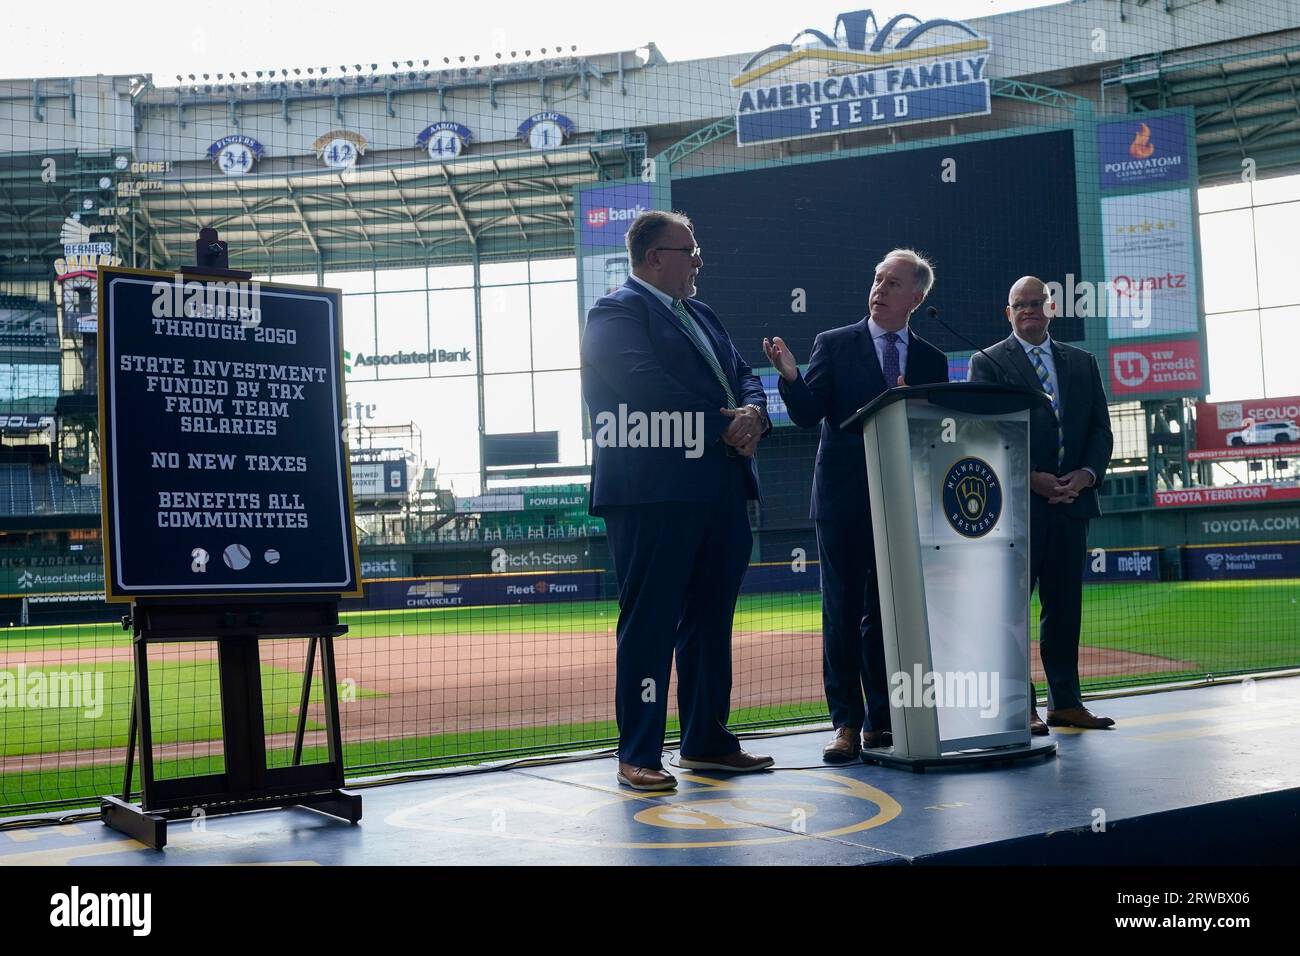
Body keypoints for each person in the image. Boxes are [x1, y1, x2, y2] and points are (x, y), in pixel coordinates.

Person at [581, 210, 774, 791]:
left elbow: (744, 374)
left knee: (711, 621)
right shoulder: (613, 311)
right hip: (652, 493)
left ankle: (707, 742)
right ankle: (638, 753)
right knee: (650, 624)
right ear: (652, 257)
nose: (698, 261)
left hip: (719, 489)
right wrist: (726, 422)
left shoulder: (702, 313)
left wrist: (754, 412)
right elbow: (644, 385)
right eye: (688, 250)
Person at [763, 249, 949, 763]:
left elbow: (939, 436)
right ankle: (845, 723)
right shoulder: (835, 344)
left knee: (888, 615)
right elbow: (806, 416)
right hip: (844, 502)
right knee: (843, 611)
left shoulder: (932, 360)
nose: (880, 289)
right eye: (876, 279)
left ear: (916, 297)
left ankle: (883, 722)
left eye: (893, 284)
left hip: (903, 504)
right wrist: (792, 376)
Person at [968, 275, 1115, 733]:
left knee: (1064, 607)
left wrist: (1086, 476)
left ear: (1051, 308)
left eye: (1037, 303)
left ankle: (1065, 703)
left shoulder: (1081, 361)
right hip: (1017, 509)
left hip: (1072, 504)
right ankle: (1020, 707)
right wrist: (1030, 478)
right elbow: (982, 434)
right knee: (1011, 611)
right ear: (1007, 312)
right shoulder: (988, 362)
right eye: (1020, 305)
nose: (1030, 310)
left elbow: (1099, 429)